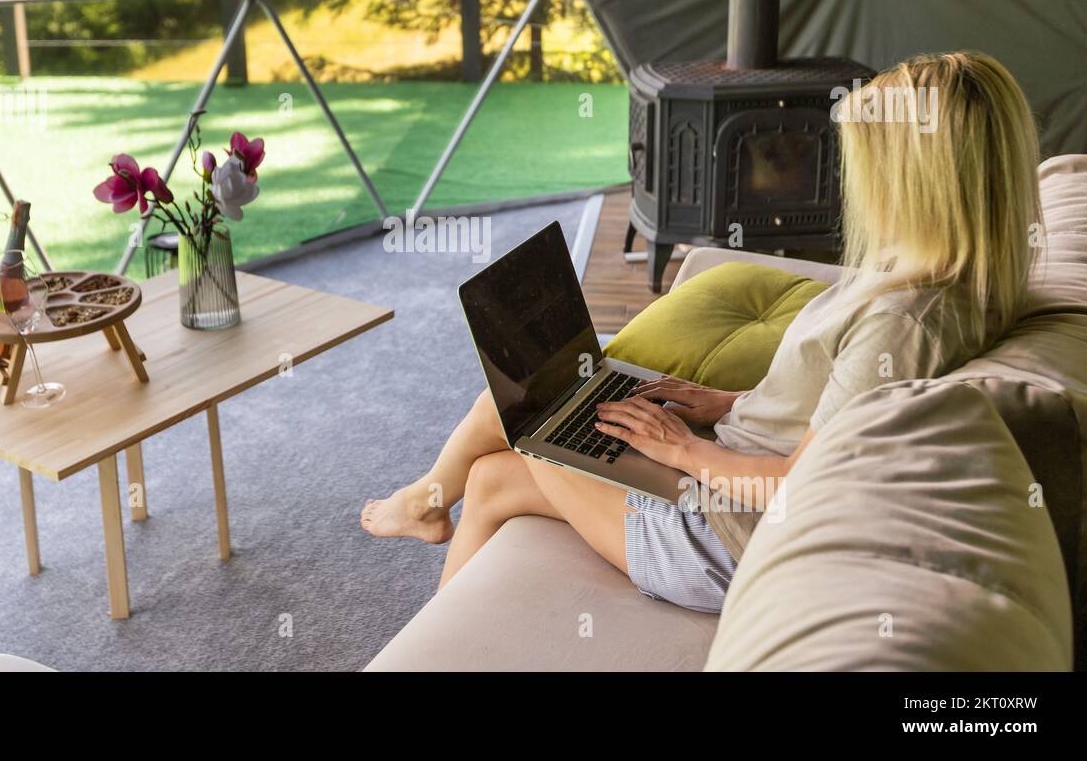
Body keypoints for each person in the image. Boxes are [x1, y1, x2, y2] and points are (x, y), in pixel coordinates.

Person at [362, 52, 1043, 613]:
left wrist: (682, 450)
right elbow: (838, 403)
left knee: (527, 411)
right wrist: (726, 403)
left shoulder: (906, 319)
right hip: (728, 468)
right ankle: (428, 534)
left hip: (717, 534)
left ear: (917, 180)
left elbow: (800, 489)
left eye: (869, 162)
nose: (856, 180)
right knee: (490, 478)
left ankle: (421, 500)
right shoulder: (961, 274)